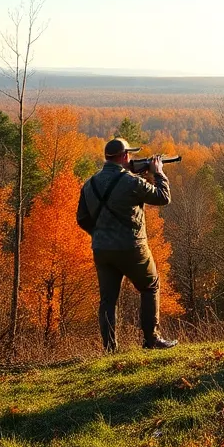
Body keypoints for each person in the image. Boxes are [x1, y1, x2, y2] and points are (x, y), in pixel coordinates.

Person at [77, 137, 178, 352]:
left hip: (102, 250)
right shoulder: (131, 182)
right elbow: (163, 197)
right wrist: (158, 172)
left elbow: (82, 219)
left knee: (108, 300)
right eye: (128, 154)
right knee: (150, 285)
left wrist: (99, 234)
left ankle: (110, 348)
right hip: (132, 248)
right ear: (124, 157)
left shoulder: (90, 183)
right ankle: (152, 339)